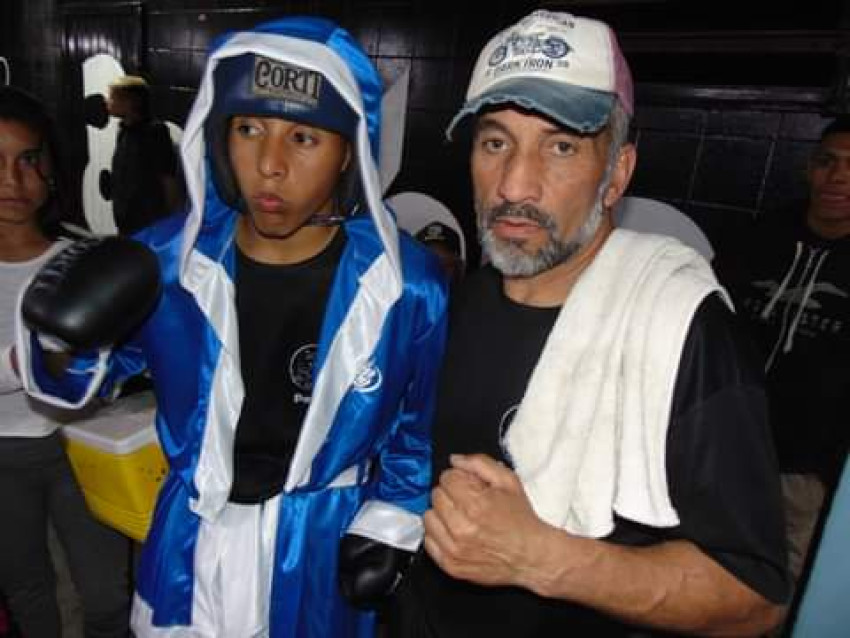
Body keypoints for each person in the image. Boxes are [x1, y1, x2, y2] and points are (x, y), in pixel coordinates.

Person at [15, 17, 447, 638]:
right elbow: (69, 389)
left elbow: (414, 431)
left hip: (318, 547)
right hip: (194, 541)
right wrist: (55, 337)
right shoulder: (168, 261)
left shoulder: (407, 284)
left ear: (350, 149)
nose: (269, 165)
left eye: (304, 137)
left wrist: (393, 519)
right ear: (218, 138)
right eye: (249, 129)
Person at [388, 10, 790, 637]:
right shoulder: (464, 300)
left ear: (617, 174)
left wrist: (545, 558)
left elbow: (754, 599)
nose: (515, 185)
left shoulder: (682, 334)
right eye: (496, 143)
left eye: (562, 146)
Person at [0, 85, 130, 637]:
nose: (12, 180)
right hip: (2, 455)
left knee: (105, 595)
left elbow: (114, 370)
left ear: (50, 168)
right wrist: (33, 355)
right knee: (28, 588)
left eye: (27, 160)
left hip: (79, 445)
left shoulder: (81, 258)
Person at [714, 116, 850, 590]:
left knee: (783, 584)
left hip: (806, 468)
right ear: (810, 167)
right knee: (705, 559)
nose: (838, 178)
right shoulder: (760, 237)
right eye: (828, 162)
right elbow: (709, 324)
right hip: (727, 443)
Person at [106, 74, 184, 235]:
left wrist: (172, 219)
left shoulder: (154, 133)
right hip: (126, 218)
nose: (108, 103)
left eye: (113, 98)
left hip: (148, 220)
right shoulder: (124, 132)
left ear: (130, 102)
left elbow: (167, 178)